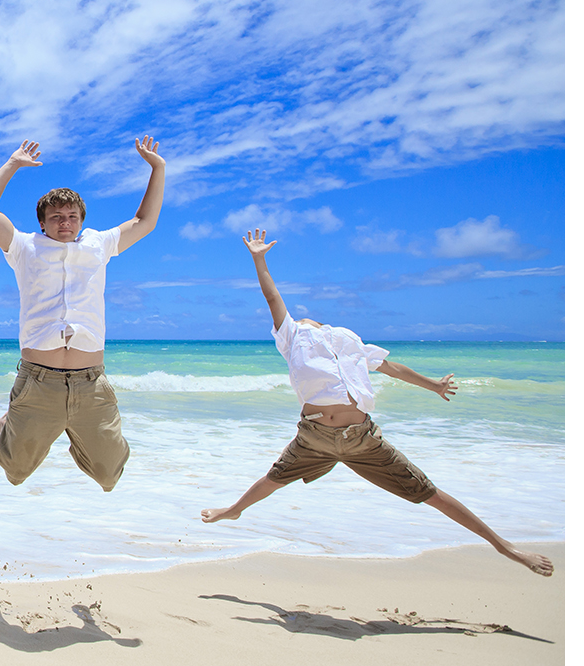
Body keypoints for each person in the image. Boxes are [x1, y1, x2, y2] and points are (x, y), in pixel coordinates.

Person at [201, 230, 553, 577]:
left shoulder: (349, 341)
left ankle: (507, 548)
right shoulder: (293, 336)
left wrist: (432, 385)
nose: (308, 319)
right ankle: (234, 510)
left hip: (363, 439)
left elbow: (391, 367)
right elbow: (273, 298)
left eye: (314, 320)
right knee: (273, 478)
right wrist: (259, 259)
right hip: (315, 437)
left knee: (429, 493)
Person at [0, 137, 165, 490]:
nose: (66, 222)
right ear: (43, 223)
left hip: (90, 382)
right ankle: (9, 426)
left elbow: (145, 221)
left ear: (82, 220)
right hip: (38, 381)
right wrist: (13, 163)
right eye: (57, 217)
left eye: (72, 216)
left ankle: (74, 430)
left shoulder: (100, 244)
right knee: (15, 473)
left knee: (108, 476)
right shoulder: (24, 247)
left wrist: (158, 168)